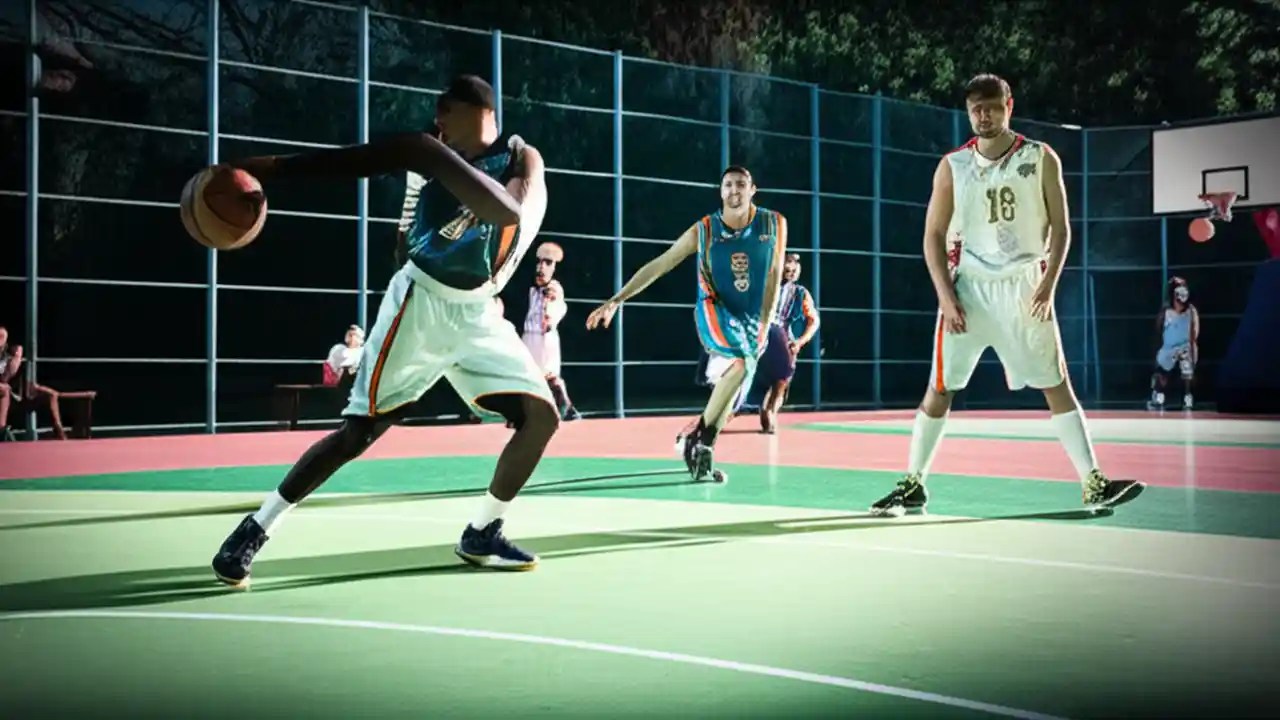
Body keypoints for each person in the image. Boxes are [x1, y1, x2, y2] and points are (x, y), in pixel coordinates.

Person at [209, 75, 554, 588]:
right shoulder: (427, 160)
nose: (437, 127)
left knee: (541, 417)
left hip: (478, 313)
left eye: (445, 116)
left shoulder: (521, 157)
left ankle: (482, 530)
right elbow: (358, 162)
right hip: (420, 303)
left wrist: (429, 157)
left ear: (476, 110)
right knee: (359, 432)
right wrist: (275, 169)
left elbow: (504, 210)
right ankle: (255, 529)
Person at [868, 73, 1144, 517]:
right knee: (940, 387)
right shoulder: (952, 166)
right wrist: (945, 295)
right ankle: (912, 483)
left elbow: (1062, 227)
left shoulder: (1039, 157)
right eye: (976, 107)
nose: (984, 115)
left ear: (1008, 106)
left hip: (1024, 285)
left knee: (1055, 382)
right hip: (970, 289)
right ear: (968, 111)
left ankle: (1093, 482)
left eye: (992, 106)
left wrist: (1049, 282)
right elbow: (933, 235)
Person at [588, 165, 786, 483]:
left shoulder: (773, 222)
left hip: (753, 319)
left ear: (753, 191)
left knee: (742, 372)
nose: (734, 190)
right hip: (715, 309)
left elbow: (775, 273)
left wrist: (766, 320)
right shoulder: (705, 230)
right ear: (721, 192)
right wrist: (616, 299)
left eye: (741, 184)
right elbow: (661, 263)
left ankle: (702, 443)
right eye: (728, 185)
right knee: (739, 361)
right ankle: (701, 440)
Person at [755, 252, 820, 433]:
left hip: (783, 339)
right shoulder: (764, 285)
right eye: (788, 264)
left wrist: (800, 341)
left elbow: (814, 320)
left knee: (782, 381)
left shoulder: (800, 293)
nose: (791, 269)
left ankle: (770, 411)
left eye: (795, 266)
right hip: (760, 337)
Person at [520, 241, 581, 421]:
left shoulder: (554, 289)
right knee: (529, 375)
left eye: (548, 263)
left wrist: (550, 313)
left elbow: (556, 305)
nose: (541, 267)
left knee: (547, 375)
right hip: (529, 337)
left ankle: (567, 409)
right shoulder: (530, 288)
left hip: (543, 338)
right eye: (539, 262)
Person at [0, 326, 67, 442]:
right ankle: (1, 429)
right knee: (5, 389)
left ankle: (59, 430)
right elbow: (6, 377)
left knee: (51, 394)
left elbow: (13, 373)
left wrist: (17, 357)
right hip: (5, 391)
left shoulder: (9, 354)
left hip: (18, 390)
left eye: (2, 337)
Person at [1149, 276, 1199, 411]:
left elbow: (1194, 335)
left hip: (1184, 347)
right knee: (1162, 371)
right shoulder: (1165, 312)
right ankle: (1158, 396)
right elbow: (1158, 333)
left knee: (1186, 368)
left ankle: (1187, 398)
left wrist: (1193, 357)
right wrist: (1157, 354)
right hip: (1168, 348)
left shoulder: (1191, 312)